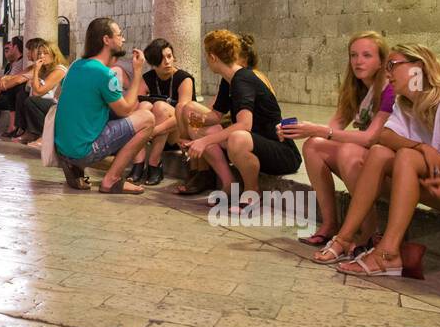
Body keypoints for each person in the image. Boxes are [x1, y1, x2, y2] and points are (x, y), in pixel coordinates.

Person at [320, 45, 440, 278]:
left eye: (393, 66)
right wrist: (423, 148)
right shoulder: (406, 103)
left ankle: (388, 254)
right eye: (386, 68)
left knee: (406, 157)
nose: (388, 74)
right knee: (380, 153)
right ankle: (344, 238)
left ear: (418, 67)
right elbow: (384, 136)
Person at [279, 31, 393, 247]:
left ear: (381, 61)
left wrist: (317, 130)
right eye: (353, 55)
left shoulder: (389, 89)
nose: (358, 61)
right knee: (313, 146)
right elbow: (331, 129)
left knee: (348, 150)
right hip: (368, 160)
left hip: (387, 164)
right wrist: (298, 129)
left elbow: (370, 139)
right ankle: (330, 223)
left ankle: (370, 232)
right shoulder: (356, 88)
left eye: (367, 55)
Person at [182, 29, 301, 209]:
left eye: (206, 56)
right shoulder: (228, 79)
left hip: (281, 153)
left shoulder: (242, 79)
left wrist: (205, 141)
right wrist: (192, 122)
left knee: (238, 137)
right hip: (253, 144)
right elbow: (215, 116)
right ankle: (230, 184)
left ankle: (252, 192)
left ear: (213, 57)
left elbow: (245, 125)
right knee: (199, 127)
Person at [52, 17, 156, 194]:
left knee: (138, 110)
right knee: (147, 118)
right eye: (119, 35)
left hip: (63, 148)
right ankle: (112, 180)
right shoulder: (104, 74)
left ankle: (75, 168)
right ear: (106, 40)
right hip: (84, 151)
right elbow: (126, 109)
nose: (122, 39)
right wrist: (138, 71)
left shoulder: (77, 65)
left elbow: (63, 97)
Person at [127, 38, 196, 187]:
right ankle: (138, 161)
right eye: (162, 59)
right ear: (153, 63)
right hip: (153, 134)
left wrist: (153, 130)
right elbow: (133, 108)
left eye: (169, 56)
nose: (167, 62)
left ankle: (154, 162)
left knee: (160, 107)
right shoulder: (148, 78)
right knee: (144, 105)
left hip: (178, 133)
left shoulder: (184, 79)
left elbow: (184, 116)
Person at [18, 38, 67, 145]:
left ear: (54, 55)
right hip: (45, 101)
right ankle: (29, 132)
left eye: (45, 53)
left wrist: (35, 71)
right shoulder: (45, 70)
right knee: (22, 94)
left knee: (31, 101)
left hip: (59, 105)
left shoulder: (59, 70)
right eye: (40, 53)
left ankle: (44, 136)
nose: (41, 56)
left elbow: (37, 92)